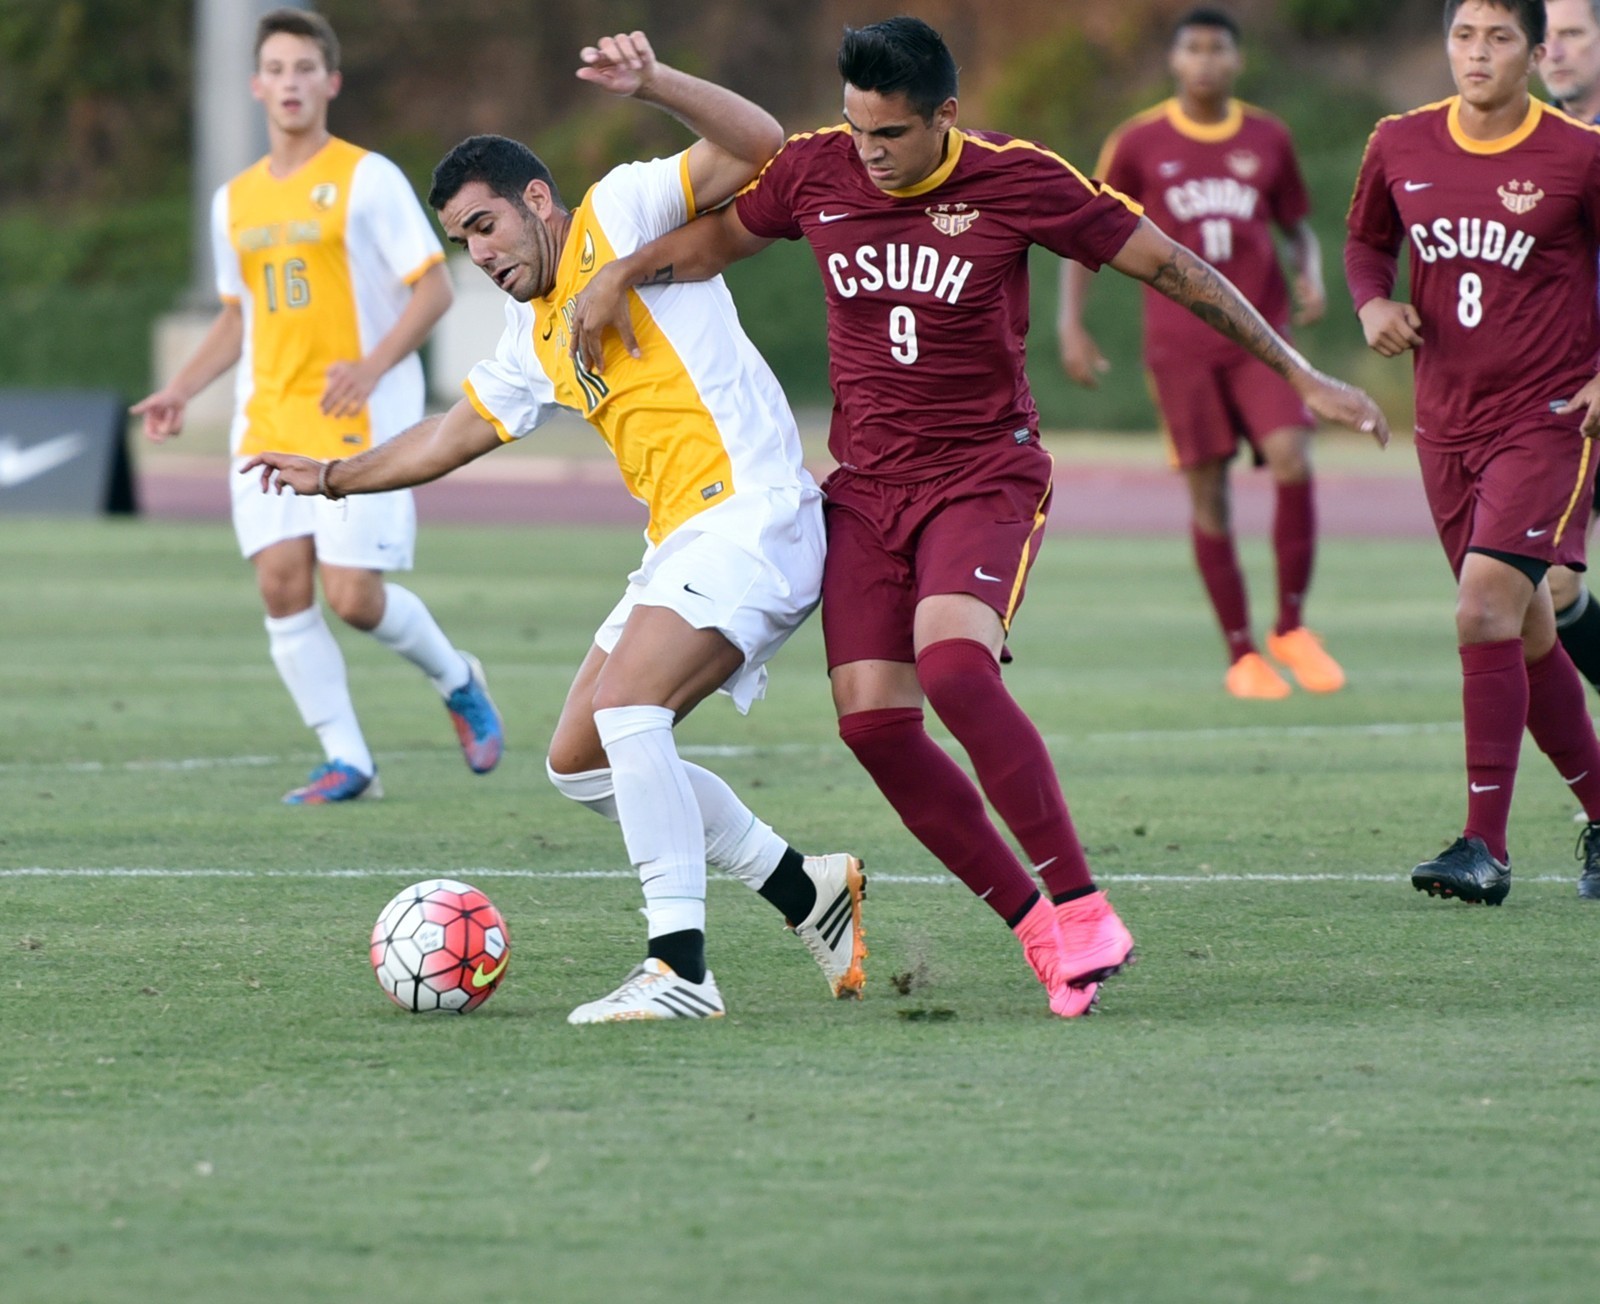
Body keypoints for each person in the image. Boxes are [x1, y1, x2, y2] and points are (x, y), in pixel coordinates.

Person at [571, 16, 1388, 1015]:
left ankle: (1083, 902)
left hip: (982, 474)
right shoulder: (817, 171)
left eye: (890, 136)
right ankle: (1039, 930)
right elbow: (721, 239)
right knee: (873, 724)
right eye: (854, 129)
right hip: (866, 491)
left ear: (943, 118)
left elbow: (1170, 264)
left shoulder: (1018, 178)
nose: (867, 155)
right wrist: (619, 271)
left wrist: (1300, 374)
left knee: (955, 666)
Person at [244, 32, 866, 1022]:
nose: (480, 254)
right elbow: (450, 435)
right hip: (684, 542)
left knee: (630, 713)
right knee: (578, 759)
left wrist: (656, 83)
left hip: (756, 515)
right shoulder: (529, 336)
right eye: (462, 241)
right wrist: (331, 476)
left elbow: (760, 148)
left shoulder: (619, 209)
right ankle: (806, 888)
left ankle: (680, 966)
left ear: (537, 200)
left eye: (486, 225)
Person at [132, 8, 503, 805]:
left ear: (330, 82)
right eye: (277, 68)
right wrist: (179, 389)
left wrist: (371, 367)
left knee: (354, 598)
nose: (291, 82)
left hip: (360, 416)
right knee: (280, 585)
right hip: (267, 415)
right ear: (255, 84)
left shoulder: (367, 178)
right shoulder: (233, 201)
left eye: (306, 68)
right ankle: (348, 760)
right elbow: (239, 314)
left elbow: (432, 287)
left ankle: (457, 678)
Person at [1346, 0, 1600, 903]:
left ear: (1534, 54)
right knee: (1526, 631)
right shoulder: (1399, 142)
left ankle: (1481, 847)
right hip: (1444, 424)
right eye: (1464, 35)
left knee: (1482, 610)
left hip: (1551, 417)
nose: (1478, 53)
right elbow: (1366, 243)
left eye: (1499, 38)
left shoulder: (1579, 153)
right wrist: (1374, 303)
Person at [1059, 8, 1342, 701]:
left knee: (1292, 456)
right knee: (1209, 493)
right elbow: (1087, 229)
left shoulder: (1268, 138)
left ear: (1237, 61)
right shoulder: (1139, 142)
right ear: (1175, 61)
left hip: (1263, 337)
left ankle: (1291, 627)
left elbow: (1297, 227)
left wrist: (1311, 271)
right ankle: (1241, 652)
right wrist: (1071, 323)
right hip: (1181, 346)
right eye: (1194, 48)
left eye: (1220, 48)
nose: (1207, 60)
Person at [1539, 0, 1600, 695]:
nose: (1556, 51)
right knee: (1547, 589)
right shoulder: (1526, 149)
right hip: (1563, 402)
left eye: (1574, 34)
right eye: (1545, 36)